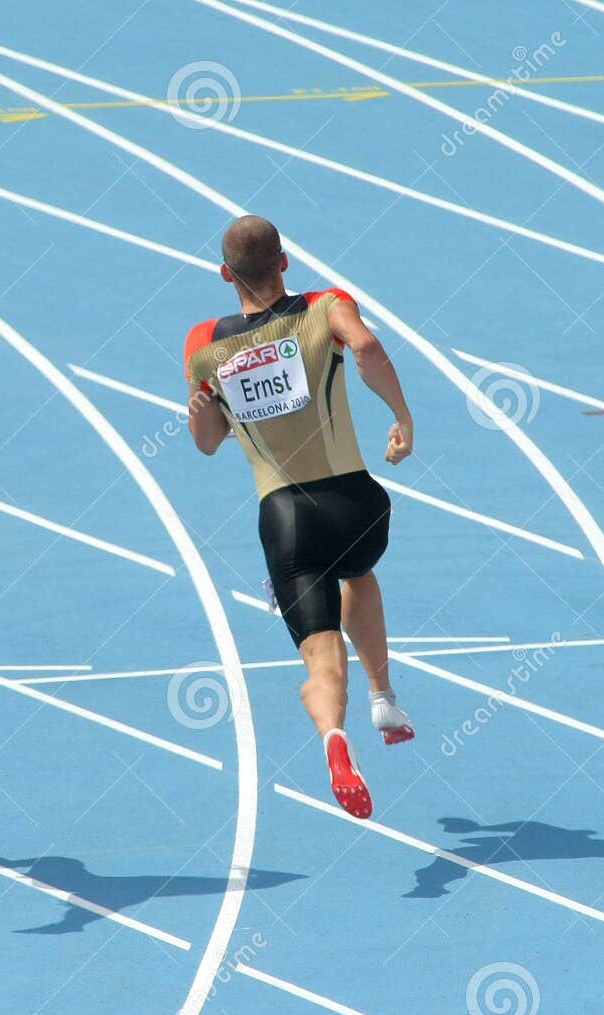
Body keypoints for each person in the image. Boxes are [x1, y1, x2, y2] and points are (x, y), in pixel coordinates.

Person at [183, 216, 416, 818]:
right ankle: (383, 694)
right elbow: (364, 346)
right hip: (357, 502)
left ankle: (335, 741)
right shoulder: (325, 305)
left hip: (286, 516)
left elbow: (206, 441)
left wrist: (202, 399)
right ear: (284, 262)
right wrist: (402, 416)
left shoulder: (205, 344)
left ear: (224, 274)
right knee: (358, 574)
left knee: (319, 655)